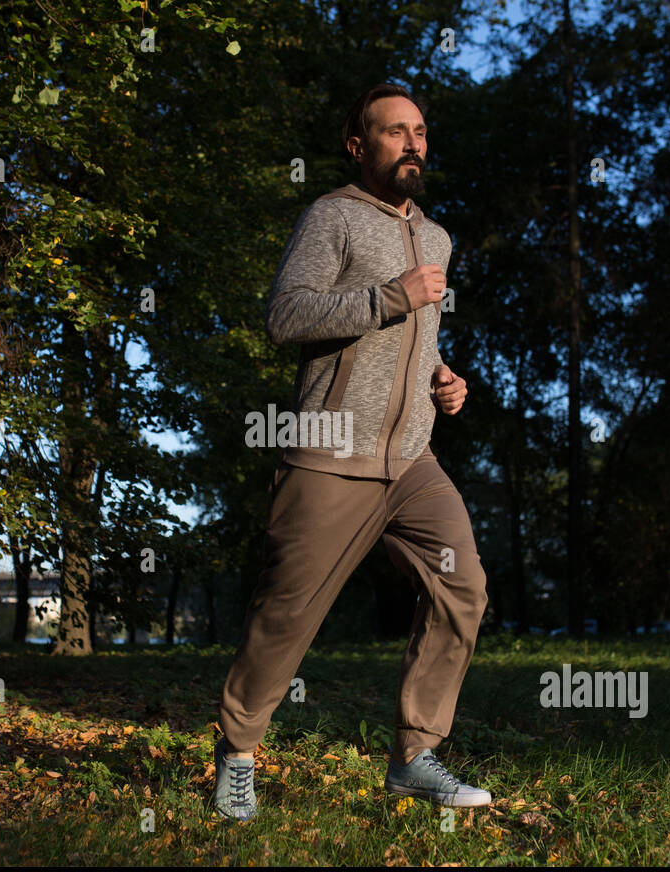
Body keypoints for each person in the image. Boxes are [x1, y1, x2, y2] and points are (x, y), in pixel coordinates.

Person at [213, 83, 491, 821]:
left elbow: (414, 344)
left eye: (420, 132)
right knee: (287, 614)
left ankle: (414, 757)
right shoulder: (331, 215)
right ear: (357, 144)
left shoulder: (436, 238)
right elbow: (286, 315)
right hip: (330, 450)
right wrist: (390, 296)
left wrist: (443, 378)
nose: (413, 144)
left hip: (412, 459)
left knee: (462, 586)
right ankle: (237, 752)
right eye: (395, 132)